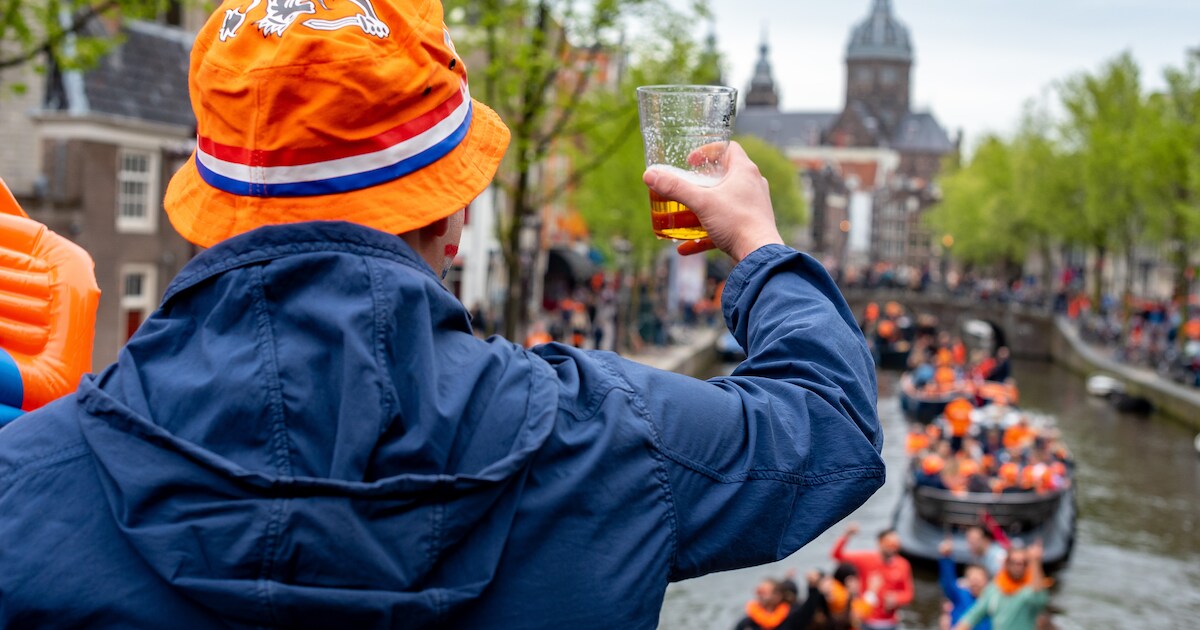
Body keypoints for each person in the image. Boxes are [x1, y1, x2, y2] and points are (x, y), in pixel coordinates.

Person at [0, 0, 886, 627]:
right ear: (452, 214)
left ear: (204, 205)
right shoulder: (609, 442)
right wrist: (762, 251)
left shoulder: (24, 478)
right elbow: (832, 430)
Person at [831, 524, 914, 630]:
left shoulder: (903, 564)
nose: (893, 548)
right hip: (865, 619)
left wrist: (897, 599)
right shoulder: (865, 559)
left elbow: (909, 594)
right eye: (890, 544)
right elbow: (837, 555)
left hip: (889, 622)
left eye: (896, 545)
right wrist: (846, 535)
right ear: (880, 542)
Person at [954, 543, 1050, 630]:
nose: (1018, 567)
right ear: (1007, 563)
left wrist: (1035, 562)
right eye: (1014, 562)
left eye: (1023, 563)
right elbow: (973, 616)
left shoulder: (1029, 590)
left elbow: (1039, 599)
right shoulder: (994, 589)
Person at [938, 539, 992, 630]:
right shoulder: (960, 595)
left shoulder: (992, 601)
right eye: (972, 579)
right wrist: (946, 557)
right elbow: (948, 583)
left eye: (978, 579)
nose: (975, 582)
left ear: (986, 581)